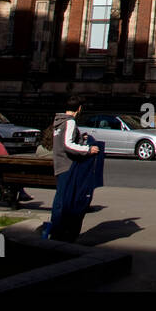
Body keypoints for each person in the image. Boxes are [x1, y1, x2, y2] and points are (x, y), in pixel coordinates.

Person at [48, 95, 104, 241]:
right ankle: (61, 232)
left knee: (60, 198)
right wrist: (87, 149)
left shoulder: (58, 122)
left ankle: (56, 229)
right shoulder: (70, 122)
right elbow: (68, 145)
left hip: (59, 163)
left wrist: (80, 138)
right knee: (66, 200)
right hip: (68, 165)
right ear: (79, 109)